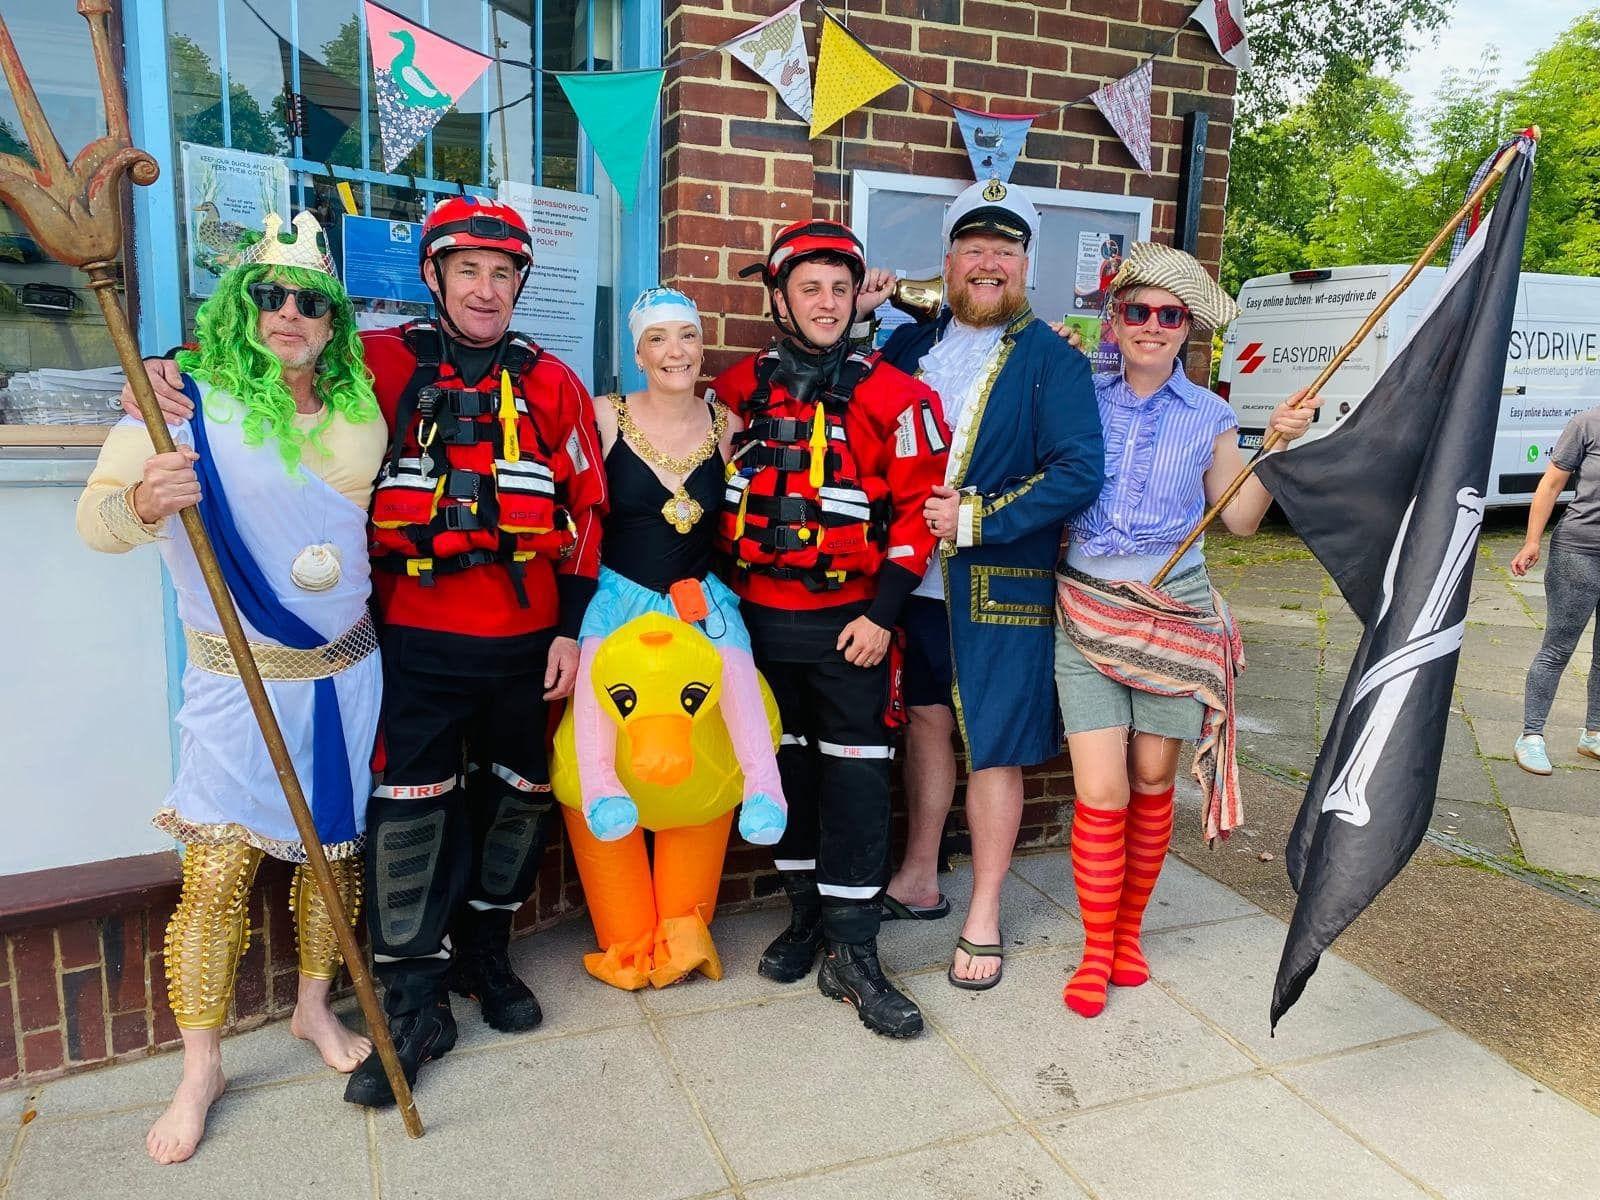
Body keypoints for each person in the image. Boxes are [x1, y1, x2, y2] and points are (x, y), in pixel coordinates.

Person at [125, 196, 607, 1106]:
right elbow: (265, 361)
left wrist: (570, 626)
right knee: (411, 813)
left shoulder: (555, 384)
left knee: (513, 803)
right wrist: (164, 368)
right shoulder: (375, 363)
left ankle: (488, 961)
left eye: (504, 274)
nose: (486, 289)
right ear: (433, 277)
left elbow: (585, 511)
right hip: (411, 645)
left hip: (525, 646)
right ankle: (415, 997)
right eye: (468, 270)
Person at [79, 213, 386, 1163]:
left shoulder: (361, 411)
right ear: (237, 308)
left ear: (333, 322)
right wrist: (141, 503)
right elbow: (96, 524)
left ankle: (310, 1011)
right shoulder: (173, 408)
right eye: (268, 297)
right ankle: (201, 1066)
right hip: (235, 684)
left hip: (344, 678)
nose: (289, 315)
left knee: (333, 862)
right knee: (215, 877)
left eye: (310, 302)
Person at [1052, 242, 1317, 1018]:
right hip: (1088, 608)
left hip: (1176, 617)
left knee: (1151, 782)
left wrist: (1276, 449)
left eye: (1171, 315)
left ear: (1188, 329)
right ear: (1115, 317)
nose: (1153, 325)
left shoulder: (1210, 414)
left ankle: (1129, 931)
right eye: (1138, 310)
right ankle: (1095, 948)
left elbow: (1237, 520)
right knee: (1099, 790)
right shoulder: (1078, 394)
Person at [707, 218, 949, 1037]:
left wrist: (883, 616)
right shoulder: (735, 391)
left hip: (853, 628)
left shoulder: (901, 398)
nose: (826, 303)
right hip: (757, 630)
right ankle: (806, 913)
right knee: (783, 774)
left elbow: (920, 516)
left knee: (853, 782)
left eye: (840, 289)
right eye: (809, 288)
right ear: (779, 297)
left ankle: (854, 949)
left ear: (857, 299)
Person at [879, 179, 1105, 990]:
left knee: (997, 749)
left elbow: (1079, 472)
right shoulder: (909, 348)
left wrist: (976, 517)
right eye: (973, 250)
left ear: (1024, 266)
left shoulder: (1052, 357)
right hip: (912, 587)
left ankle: (983, 913)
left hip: (1000, 584)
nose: (987, 265)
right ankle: (917, 875)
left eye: (1003, 253)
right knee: (928, 726)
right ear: (948, 262)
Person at [565, 286, 786, 988]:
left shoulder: (727, 421)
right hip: (621, 594)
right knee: (597, 688)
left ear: (701, 347)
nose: (675, 352)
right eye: (659, 340)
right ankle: (601, 788)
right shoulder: (607, 415)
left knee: (737, 675)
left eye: (687, 337)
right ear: (638, 352)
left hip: (697, 595)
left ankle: (763, 789)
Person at [1510, 405, 1600, 772]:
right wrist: (1532, 541)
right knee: (1558, 648)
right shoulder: (1587, 423)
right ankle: (1530, 735)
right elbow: (1550, 484)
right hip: (1580, 550)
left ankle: (1593, 733)